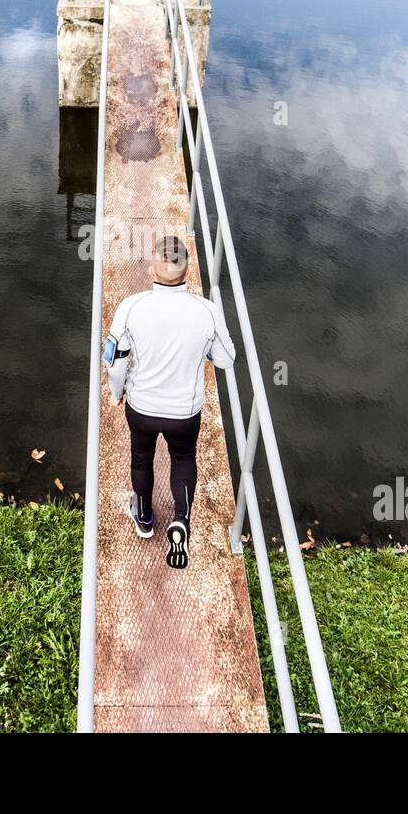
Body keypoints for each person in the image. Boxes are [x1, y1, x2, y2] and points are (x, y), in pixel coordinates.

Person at [103, 234, 236, 569]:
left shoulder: (132, 307)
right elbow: (226, 359)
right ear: (188, 270)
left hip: (142, 408)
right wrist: (202, 345)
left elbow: (115, 361)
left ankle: (145, 518)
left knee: (141, 459)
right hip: (184, 412)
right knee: (183, 458)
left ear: (151, 269)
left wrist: (116, 394)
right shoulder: (206, 311)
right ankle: (182, 520)